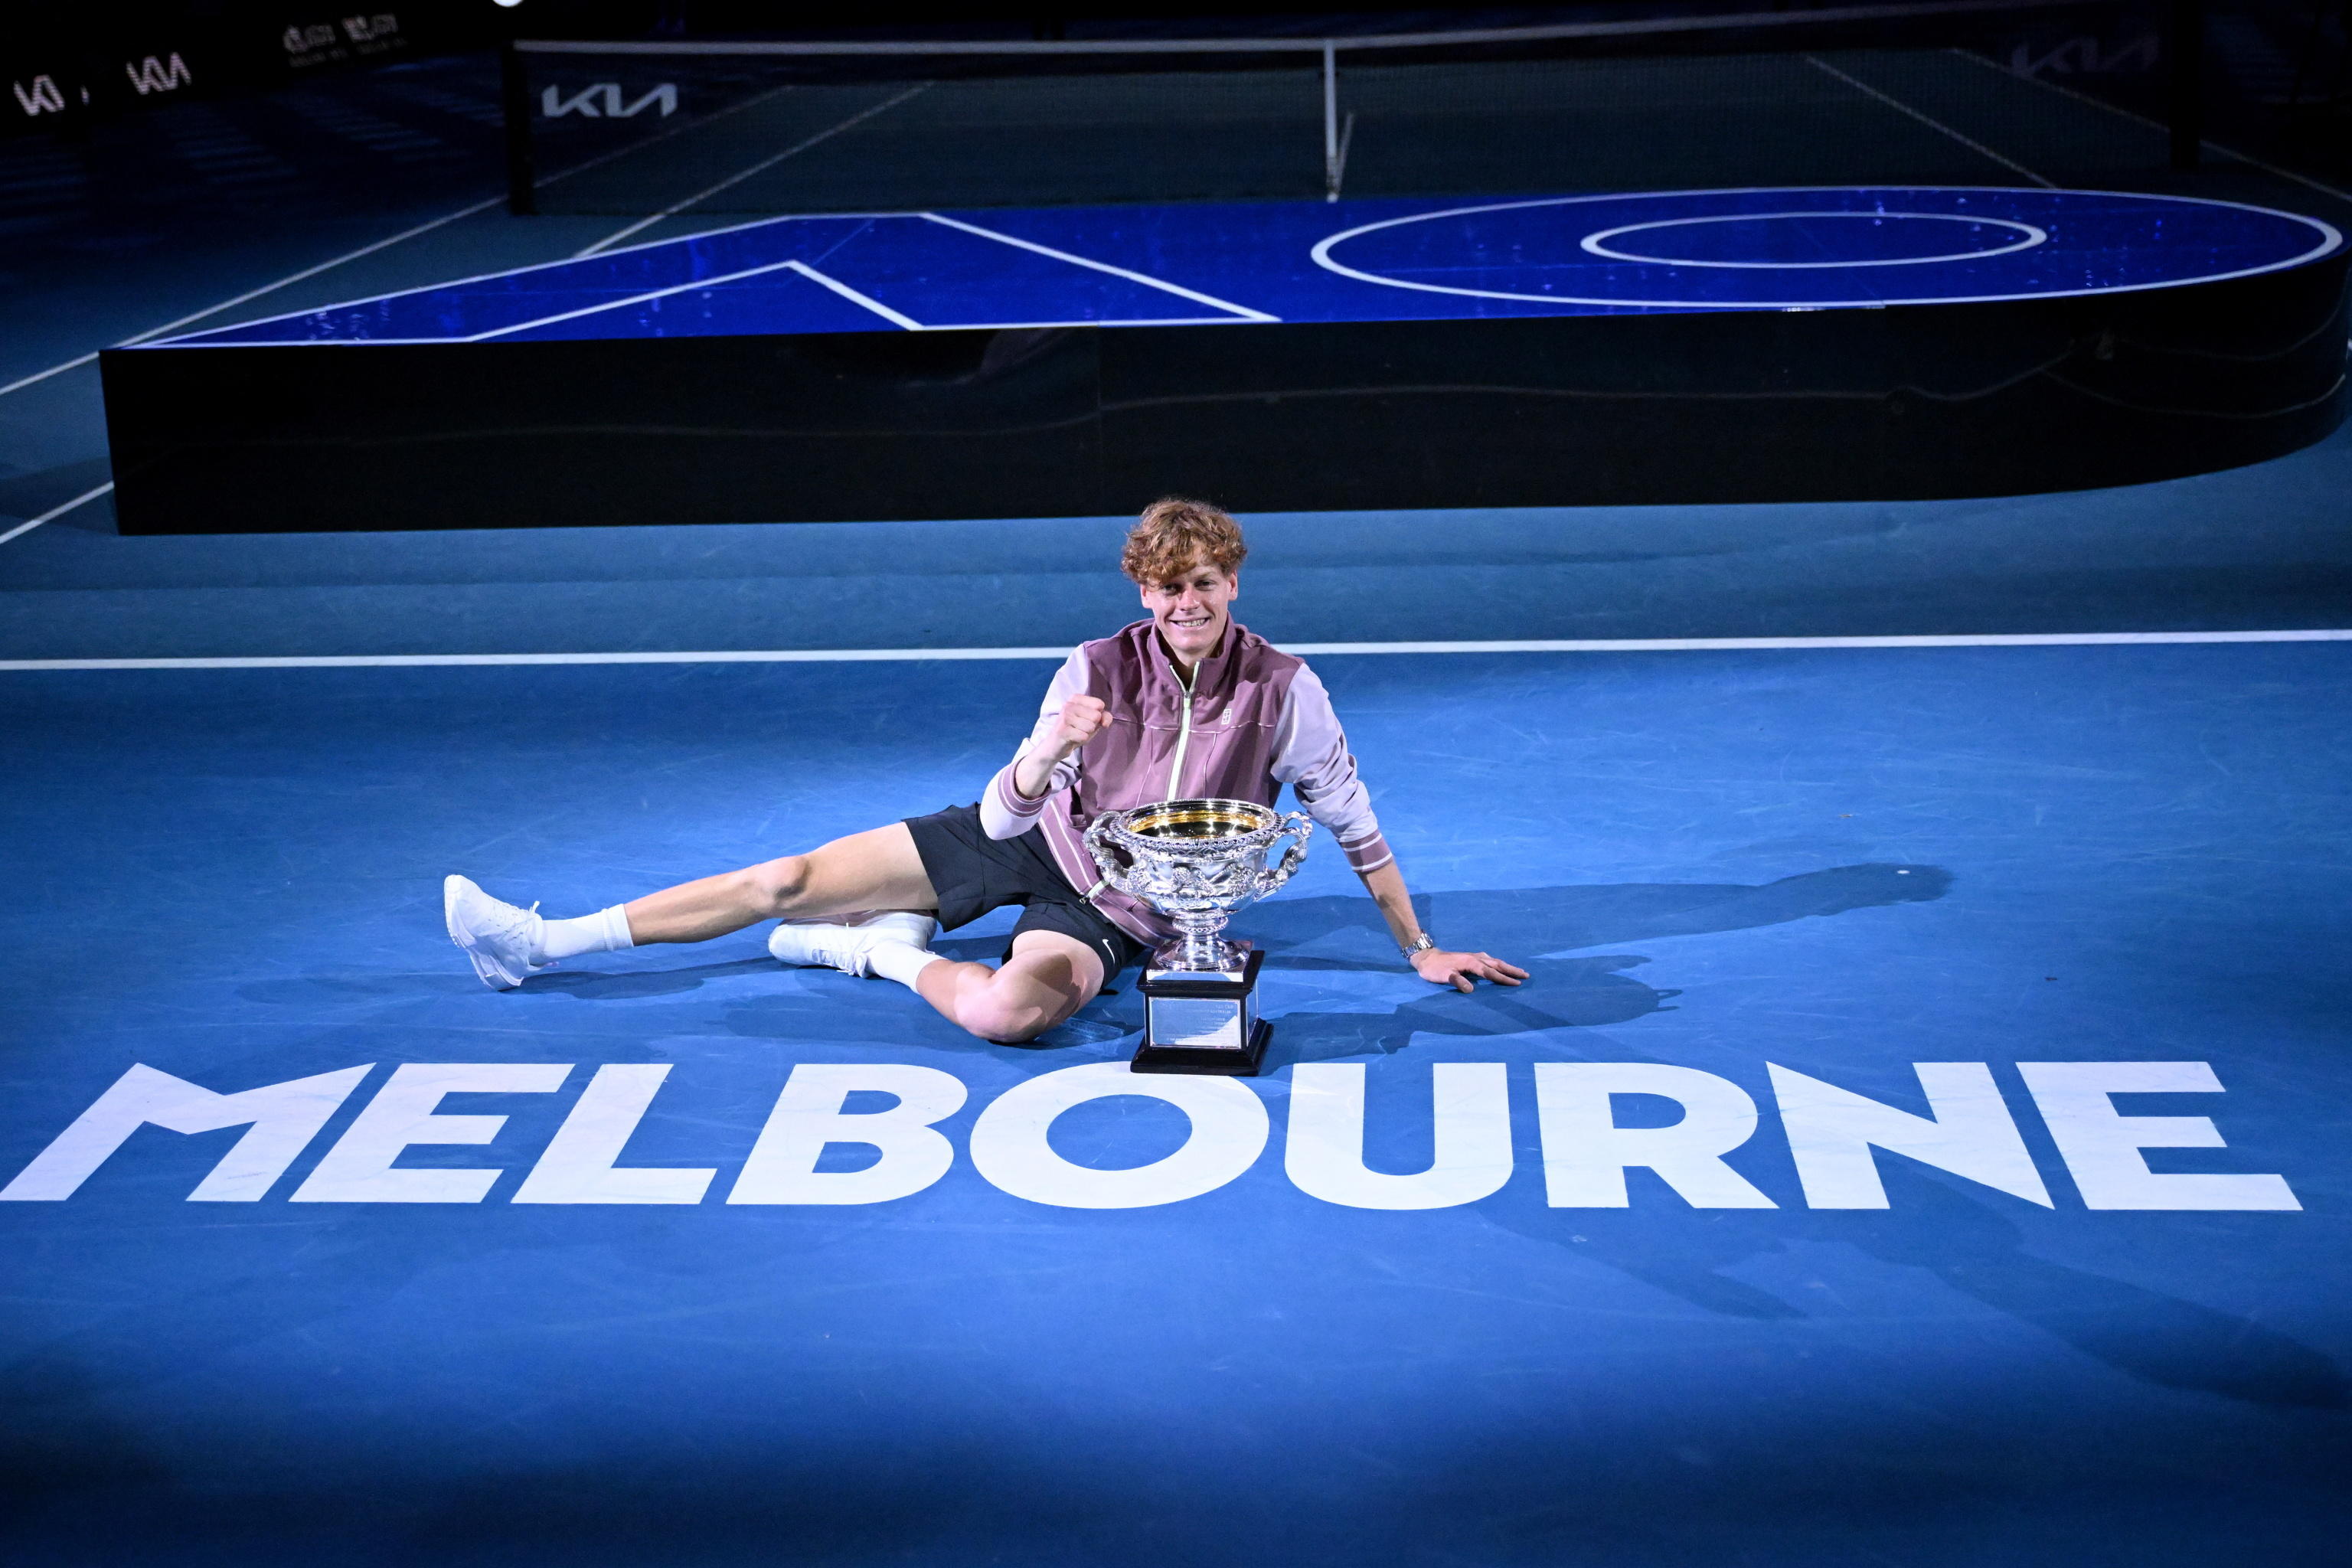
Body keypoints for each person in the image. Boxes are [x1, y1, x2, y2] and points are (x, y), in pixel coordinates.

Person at [446, 498, 1526, 1041]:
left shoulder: (1286, 687)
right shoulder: (1094, 665)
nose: (1183, 605)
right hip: (1026, 840)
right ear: (1144, 594)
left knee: (1011, 1016)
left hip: (1126, 912)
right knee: (780, 880)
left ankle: (874, 959)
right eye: (1165, 590)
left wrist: (1418, 949)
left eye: (1202, 583)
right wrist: (1048, 752)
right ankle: (537, 942)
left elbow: (1355, 826)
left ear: (1231, 580)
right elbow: (1010, 819)